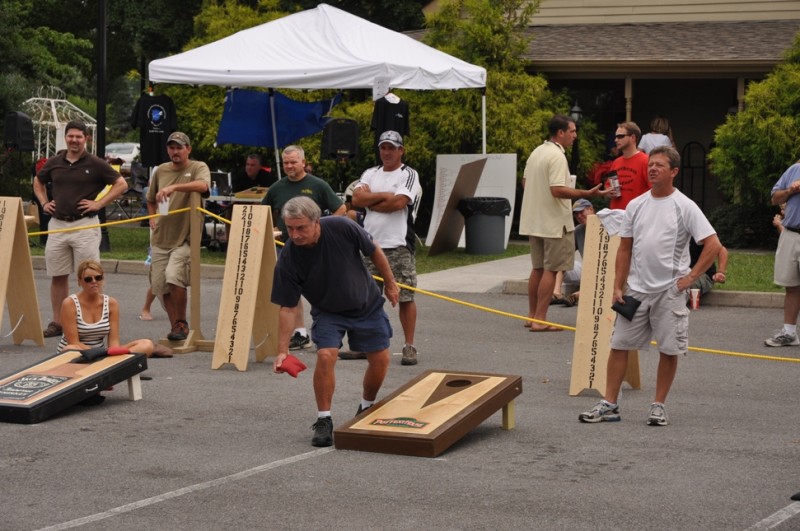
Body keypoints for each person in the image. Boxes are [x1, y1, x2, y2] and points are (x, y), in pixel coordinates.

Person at [579, 146, 721, 426]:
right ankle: (609, 404)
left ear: (674, 171)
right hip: (636, 290)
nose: (652, 169)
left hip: (670, 291)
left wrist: (689, 279)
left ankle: (658, 406)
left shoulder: (684, 205)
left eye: (659, 165)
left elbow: (713, 244)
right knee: (618, 345)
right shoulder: (636, 205)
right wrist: (618, 286)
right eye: (650, 164)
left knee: (668, 349)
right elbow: (624, 249)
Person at [271, 197, 399, 447]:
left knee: (381, 359)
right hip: (328, 311)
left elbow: (374, 250)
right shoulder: (288, 257)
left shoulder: (343, 226)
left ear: (316, 222)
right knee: (326, 355)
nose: (294, 235)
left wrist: (391, 283)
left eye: (301, 228)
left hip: (366, 304)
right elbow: (287, 307)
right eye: (290, 228)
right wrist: (282, 351)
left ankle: (366, 407)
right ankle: (324, 420)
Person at [33, 120, 129, 338]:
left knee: (90, 276)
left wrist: (99, 203)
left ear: (86, 138)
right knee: (58, 275)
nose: (74, 140)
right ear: (65, 138)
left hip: (85, 225)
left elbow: (121, 184)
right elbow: (38, 182)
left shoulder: (95, 163)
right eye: (71, 136)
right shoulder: (55, 162)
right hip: (57, 225)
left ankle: (91, 322)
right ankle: (58, 323)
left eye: (78, 136)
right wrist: (44, 203)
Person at [519, 114, 610, 332]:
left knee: (538, 268)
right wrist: (587, 193)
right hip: (553, 223)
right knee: (552, 269)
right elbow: (557, 189)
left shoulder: (537, 152)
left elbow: (525, 183)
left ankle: (532, 316)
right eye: (572, 131)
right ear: (560, 133)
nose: (575, 136)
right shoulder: (557, 156)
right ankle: (540, 319)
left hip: (535, 220)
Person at [261, 145, 346, 350]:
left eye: (293, 162)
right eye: (286, 163)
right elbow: (263, 211)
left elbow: (341, 209)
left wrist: (321, 229)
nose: (289, 166)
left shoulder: (318, 185)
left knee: (320, 287)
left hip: (315, 247)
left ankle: (328, 331)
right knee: (291, 290)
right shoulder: (277, 188)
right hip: (286, 247)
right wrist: (271, 227)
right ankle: (300, 333)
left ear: (303, 163)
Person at [351, 131, 422, 365]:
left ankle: (409, 346)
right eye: (383, 147)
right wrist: (383, 196)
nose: (387, 152)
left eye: (392, 148)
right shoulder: (370, 173)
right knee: (366, 298)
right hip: (370, 244)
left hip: (398, 245)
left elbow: (399, 203)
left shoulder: (408, 174)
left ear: (401, 150)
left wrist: (372, 200)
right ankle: (365, 345)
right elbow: (356, 200)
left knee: (405, 297)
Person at [146, 132, 211, 342]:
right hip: (161, 237)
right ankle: (176, 327)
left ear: (188, 149)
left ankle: (182, 322)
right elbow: (150, 198)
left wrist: (174, 187)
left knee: (174, 276)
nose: (175, 151)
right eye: (172, 148)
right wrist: (152, 217)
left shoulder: (198, 167)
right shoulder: (160, 170)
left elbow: (203, 186)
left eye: (179, 147)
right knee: (160, 285)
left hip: (185, 238)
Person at [57, 259, 172, 358]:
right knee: (70, 349)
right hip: (81, 352)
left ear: (103, 279)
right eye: (88, 279)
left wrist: (111, 352)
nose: (94, 282)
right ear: (79, 281)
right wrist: (98, 353)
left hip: (102, 353)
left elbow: (113, 342)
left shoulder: (111, 303)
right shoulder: (70, 303)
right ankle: (115, 363)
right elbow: (74, 342)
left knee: (146, 344)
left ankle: (112, 363)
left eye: (98, 278)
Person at [765, 159, 800, 347]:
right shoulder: (794, 170)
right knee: (791, 286)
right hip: (791, 234)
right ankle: (789, 333)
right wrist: (790, 191)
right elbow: (775, 199)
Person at [551, 198, 595, 307]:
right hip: (586, 270)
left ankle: (576, 296)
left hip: (605, 271)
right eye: (576, 214)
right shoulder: (578, 230)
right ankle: (556, 293)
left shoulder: (605, 225)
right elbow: (566, 253)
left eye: (581, 212)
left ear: (590, 209)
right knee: (560, 260)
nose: (579, 216)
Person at [608, 122, 650, 210]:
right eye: (616, 137)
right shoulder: (616, 162)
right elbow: (608, 186)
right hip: (616, 214)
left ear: (633, 137)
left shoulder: (646, 161)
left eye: (620, 136)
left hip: (637, 214)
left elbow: (655, 190)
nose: (616, 140)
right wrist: (609, 192)